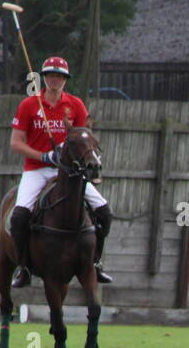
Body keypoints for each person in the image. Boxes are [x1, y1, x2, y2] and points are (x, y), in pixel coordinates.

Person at [7, 56, 113, 288]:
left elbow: (84, 137)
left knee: (104, 211)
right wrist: (43, 156)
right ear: (44, 78)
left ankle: (96, 263)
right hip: (36, 170)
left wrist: (75, 156)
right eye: (51, 75)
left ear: (65, 80)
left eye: (60, 76)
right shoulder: (29, 105)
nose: (55, 80)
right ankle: (24, 267)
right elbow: (15, 143)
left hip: (69, 172)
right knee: (19, 216)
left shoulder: (75, 105)